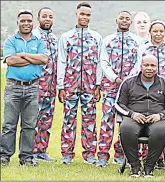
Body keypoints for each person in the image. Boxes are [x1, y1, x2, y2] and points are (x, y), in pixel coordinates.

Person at [128, 19, 165, 168]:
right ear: (150, 32)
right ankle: (143, 157)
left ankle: (158, 158)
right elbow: (137, 69)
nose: (158, 34)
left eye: (161, 31)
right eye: (155, 31)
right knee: (144, 121)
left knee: (161, 124)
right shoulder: (143, 49)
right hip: (144, 91)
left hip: (164, 92)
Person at [115, 55, 165, 178]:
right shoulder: (128, 82)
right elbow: (118, 104)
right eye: (146, 65)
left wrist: (160, 115)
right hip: (134, 118)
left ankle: (149, 167)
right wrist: (132, 114)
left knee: (161, 130)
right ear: (140, 66)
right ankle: (135, 166)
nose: (149, 68)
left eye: (153, 65)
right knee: (126, 128)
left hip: (156, 120)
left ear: (157, 68)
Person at [56, 1, 103, 165]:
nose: (85, 17)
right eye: (82, 14)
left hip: (90, 87)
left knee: (90, 121)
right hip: (70, 86)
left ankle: (90, 154)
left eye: (88, 15)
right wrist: (60, 85)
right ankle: (67, 154)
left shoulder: (96, 37)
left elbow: (99, 63)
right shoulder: (66, 37)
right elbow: (61, 61)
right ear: (76, 14)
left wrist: (98, 85)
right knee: (68, 119)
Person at [0, 10, 48, 167]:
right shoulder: (10, 41)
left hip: (32, 87)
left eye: (29, 21)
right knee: (9, 124)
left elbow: (43, 59)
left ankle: (26, 158)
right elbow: (11, 61)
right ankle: (4, 157)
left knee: (29, 125)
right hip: (13, 87)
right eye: (23, 21)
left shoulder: (39, 41)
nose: (26, 23)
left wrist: (23, 54)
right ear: (18, 23)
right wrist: (32, 59)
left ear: (33, 23)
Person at [96, 10, 142, 167]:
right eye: (121, 18)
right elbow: (104, 62)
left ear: (130, 22)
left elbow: (139, 62)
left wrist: (128, 79)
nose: (124, 21)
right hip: (110, 87)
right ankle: (102, 156)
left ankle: (122, 154)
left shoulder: (137, 41)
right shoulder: (107, 40)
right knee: (106, 121)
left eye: (127, 19)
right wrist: (114, 77)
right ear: (116, 20)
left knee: (126, 123)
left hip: (131, 89)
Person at [32, 7, 58, 162]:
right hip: (36, 86)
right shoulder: (33, 37)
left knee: (46, 120)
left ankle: (42, 150)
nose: (47, 19)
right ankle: (30, 152)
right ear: (38, 18)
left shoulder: (54, 38)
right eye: (44, 16)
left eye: (50, 16)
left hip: (51, 87)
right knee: (33, 120)